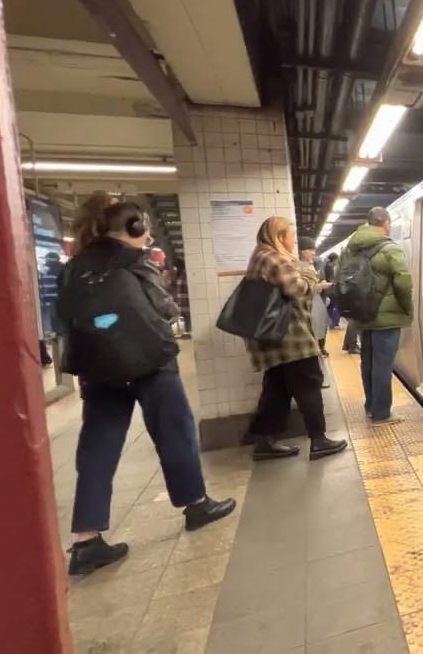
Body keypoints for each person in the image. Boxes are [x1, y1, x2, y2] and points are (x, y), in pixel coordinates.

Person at [57, 195, 235, 577]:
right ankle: (195, 505)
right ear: (134, 228)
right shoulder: (134, 260)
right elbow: (164, 307)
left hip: (96, 367)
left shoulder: (73, 267)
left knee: (97, 447)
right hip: (149, 360)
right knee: (175, 432)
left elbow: (65, 316)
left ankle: (86, 540)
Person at [243, 217, 346, 460]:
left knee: (277, 390)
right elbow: (296, 289)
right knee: (309, 383)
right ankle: (319, 440)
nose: (294, 240)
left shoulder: (260, 256)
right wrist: (310, 276)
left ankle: (264, 441)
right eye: (291, 235)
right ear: (279, 237)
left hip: (273, 340)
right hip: (290, 339)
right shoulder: (272, 257)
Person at [345, 207, 413, 424]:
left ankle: (370, 406)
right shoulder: (390, 249)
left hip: (363, 315)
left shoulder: (352, 248)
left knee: (368, 362)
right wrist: (406, 308)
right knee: (383, 365)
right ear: (386, 224)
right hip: (386, 319)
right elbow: (403, 281)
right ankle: (382, 413)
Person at [298, 237, 331, 358]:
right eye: (310, 249)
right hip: (308, 305)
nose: (313, 252)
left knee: (317, 330)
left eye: (314, 250)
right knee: (311, 333)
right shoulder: (300, 267)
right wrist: (321, 285)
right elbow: (305, 289)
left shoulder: (309, 264)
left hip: (314, 303)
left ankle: (318, 350)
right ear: (302, 251)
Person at [323, 252, 341, 330]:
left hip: (328, 289)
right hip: (332, 289)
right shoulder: (331, 266)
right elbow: (332, 279)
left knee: (330, 306)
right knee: (336, 306)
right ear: (334, 259)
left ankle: (330, 323)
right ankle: (334, 323)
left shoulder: (326, 265)